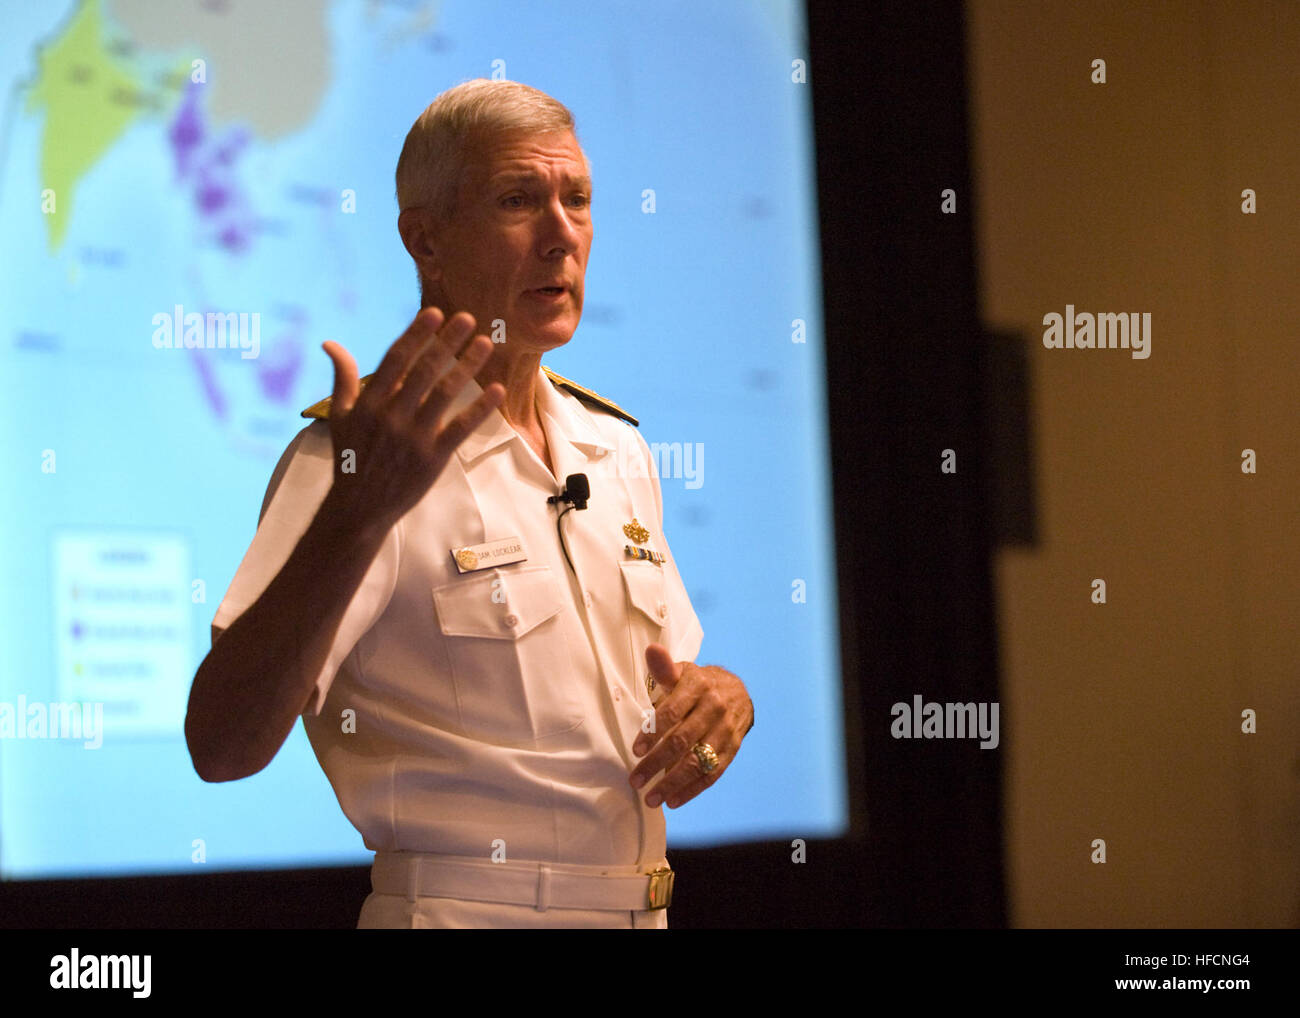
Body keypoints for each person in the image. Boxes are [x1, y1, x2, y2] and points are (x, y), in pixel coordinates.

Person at [184, 79, 754, 928]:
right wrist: (355, 514)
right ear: (426, 238)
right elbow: (223, 743)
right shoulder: (352, 455)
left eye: (579, 200)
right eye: (519, 201)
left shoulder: (617, 448)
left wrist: (723, 699)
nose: (562, 234)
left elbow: (672, 685)